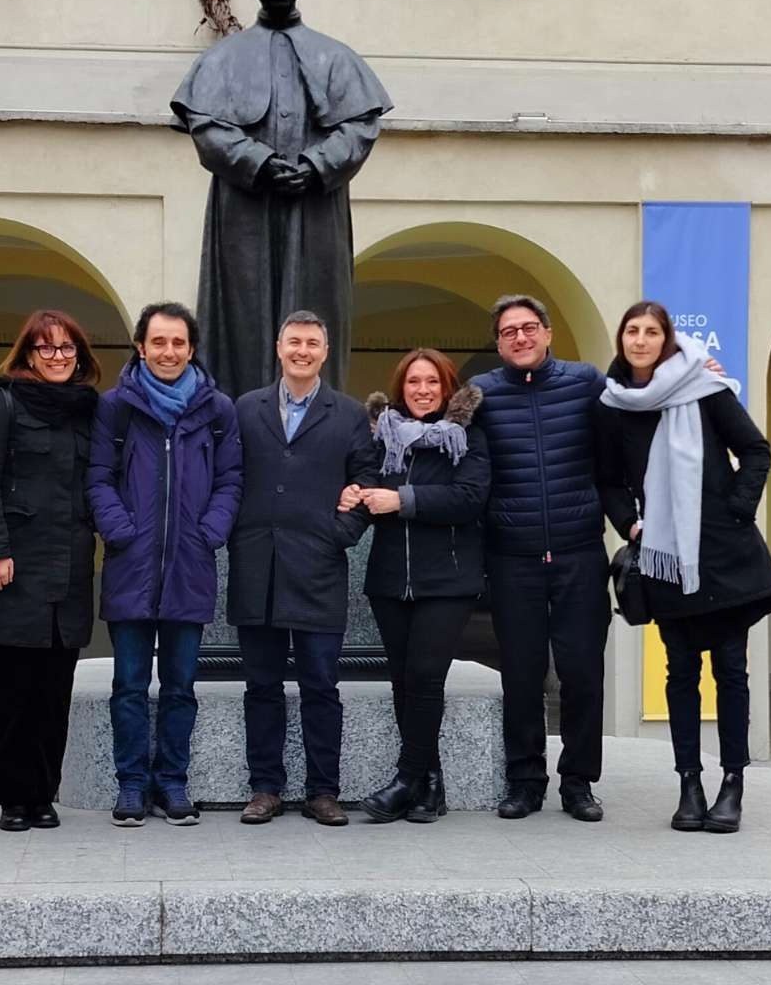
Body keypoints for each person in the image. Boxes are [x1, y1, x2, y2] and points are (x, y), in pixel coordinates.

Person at [170, 0, 393, 398]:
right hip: (243, 206)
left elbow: (359, 128)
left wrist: (316, 165)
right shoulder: (223, 59)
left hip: (316, 207)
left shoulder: (335, 57)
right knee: (241, 312)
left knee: (317, 305)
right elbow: (206, 128)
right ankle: (236, 408)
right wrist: (258, 161)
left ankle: (315, 412)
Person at [597, 301, 771, 834]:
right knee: (680, 673)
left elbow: (755, 450)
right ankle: (689, 784)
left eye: (651, 331)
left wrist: (737, 509)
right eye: (631, 330)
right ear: (621, 340)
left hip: (724, 554)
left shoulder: (704, 390)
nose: (640, 339)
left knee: (730, 670)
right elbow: (607, 478)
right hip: (663, 557)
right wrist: (630, 524)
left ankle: (732, 784)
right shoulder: (612, 404)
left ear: (667, 339)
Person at [87, 302, 243, 827]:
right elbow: (99, 477)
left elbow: (230, 479)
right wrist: (120, 530)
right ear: (140, 347)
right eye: (158, 342)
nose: (168, 352)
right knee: (128, 685)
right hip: (132, 565)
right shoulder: (116, 407)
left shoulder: (217, 409)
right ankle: (131, 784)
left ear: (191, 348)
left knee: (180, 687)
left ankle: (172, 783)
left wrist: (211, 530)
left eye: (178, 343)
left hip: (190, 564)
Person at [228, 311, 376, 827]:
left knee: (320, 686)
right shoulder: (246, 409)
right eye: (295, 341)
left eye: (313, 343)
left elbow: (366, 483)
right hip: (257, 565)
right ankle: (265, 787)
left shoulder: (350, 414)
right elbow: (228, 476)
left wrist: (339, 534)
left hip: (318, 569)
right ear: (278, 346)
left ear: (325, 351)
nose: (303, 351)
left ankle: (323, 792)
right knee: (261, 686)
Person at [470, 295, 613, 822]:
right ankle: (525, 780)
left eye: (529, 328)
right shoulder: (481, 394)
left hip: (579, 553)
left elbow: (636, 417)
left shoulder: (586, 382)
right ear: (498, 342)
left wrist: (701, 378)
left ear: (549, 333)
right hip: (513, 558)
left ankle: (578, 782)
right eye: (509, 332)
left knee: (581, 674)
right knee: (522, 676)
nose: (521, 338)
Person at [0, 311, 103, 833]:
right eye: (47, 349)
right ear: (27, 354)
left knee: (51, 692)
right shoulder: (3, 400)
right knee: (6, 692)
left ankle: (43, 793)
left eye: (68, 349)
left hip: (67, 570)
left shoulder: (89, 410)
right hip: (11, 567)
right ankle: (11, 797)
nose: (59, 357)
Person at [342, 350, 490, 824]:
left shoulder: (467, 437)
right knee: (405, 684)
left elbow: (468, 498)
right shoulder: (384, 435)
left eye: (432, 381)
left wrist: (401, 499)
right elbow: (367, 486)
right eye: (413, 382)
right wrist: (353, 494)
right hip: (390, 581)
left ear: (447, 387)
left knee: (426, 678)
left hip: (447, 581)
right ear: (401, 388)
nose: (422, 390)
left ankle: (405, 780)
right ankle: (430, 784)